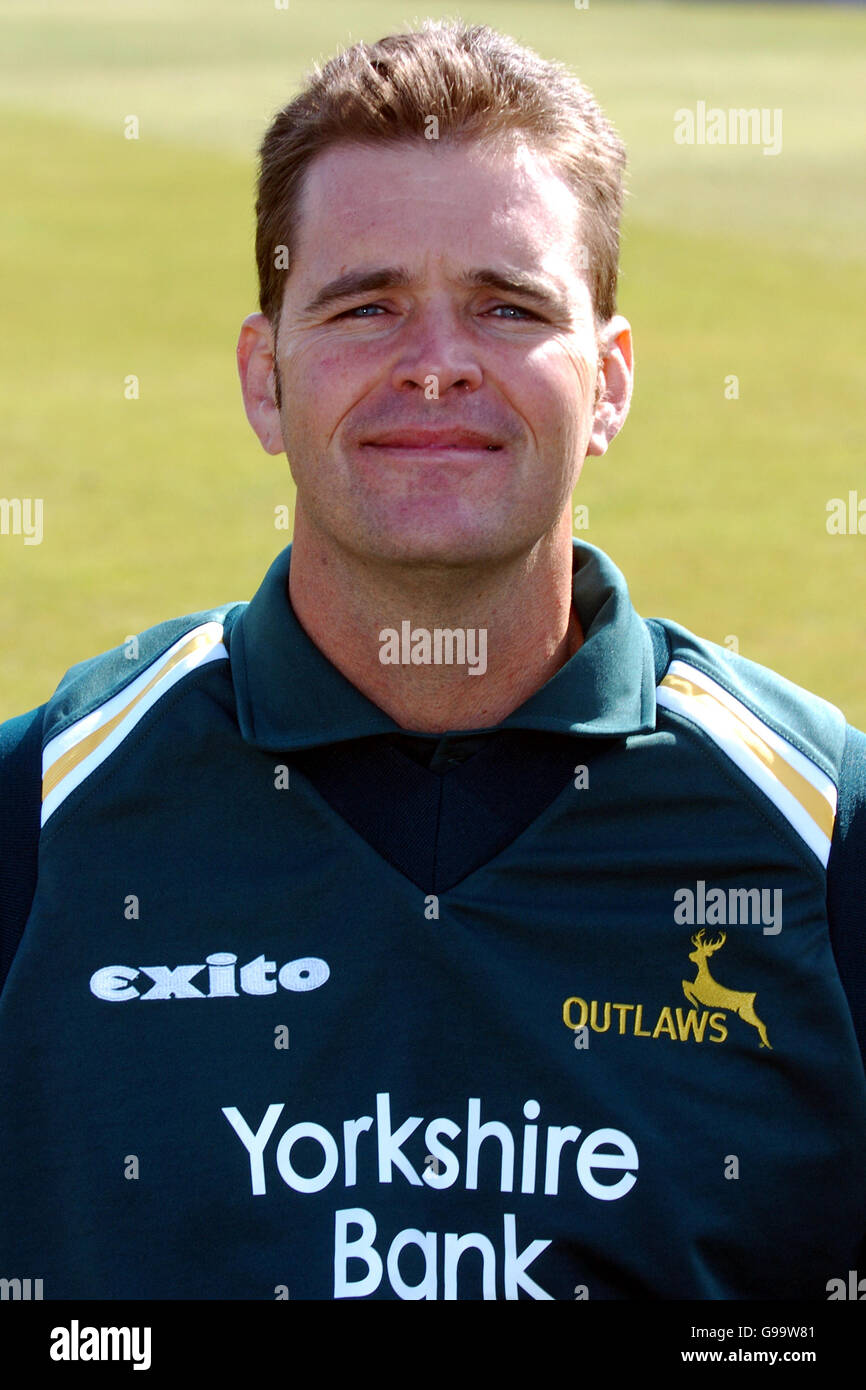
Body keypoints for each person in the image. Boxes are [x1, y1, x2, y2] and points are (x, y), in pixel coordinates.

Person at [0, 19, 863, 1303]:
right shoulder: (40, 814)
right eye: (365, 306)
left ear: (610, 382)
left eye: (508, 307)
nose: (438, 365)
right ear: (263, 376)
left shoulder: (825, 834)